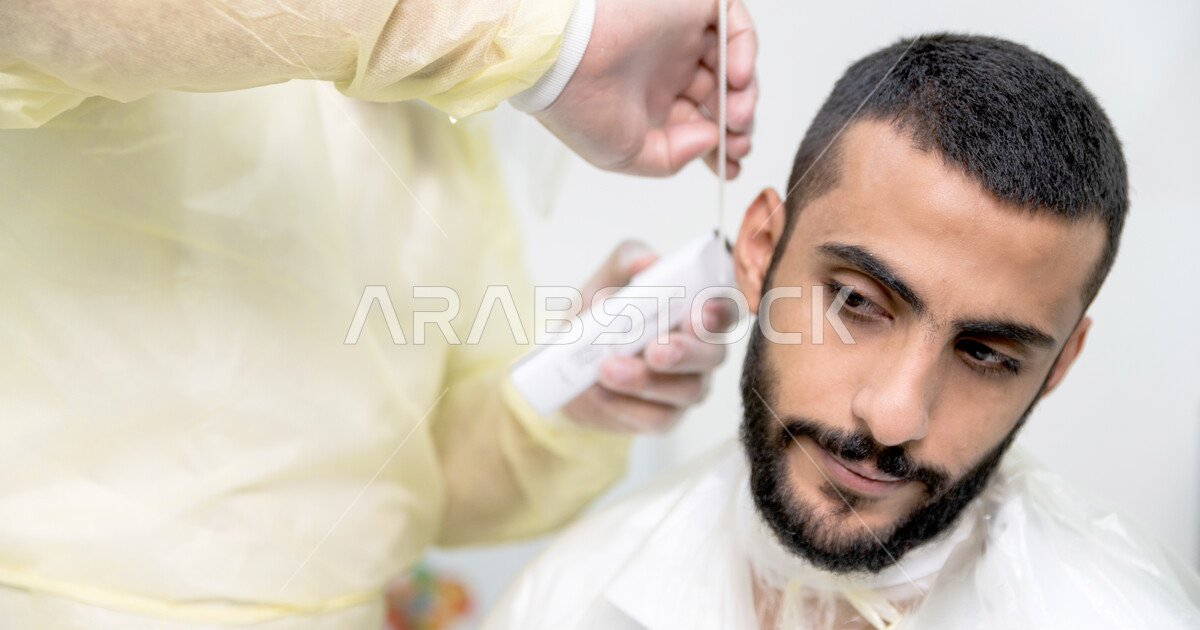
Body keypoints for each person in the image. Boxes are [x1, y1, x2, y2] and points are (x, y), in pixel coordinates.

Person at [0, 0, 756, 627]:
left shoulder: (433, 107)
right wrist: (546, 44)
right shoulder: (467, 39)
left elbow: (427, 477)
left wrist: (574, 395)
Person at [483, 34, 1200, 629]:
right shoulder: (571, 600)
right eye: (858, 302)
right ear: (760, 253)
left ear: (1059, 364)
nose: (893, 417)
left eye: (985, 353)